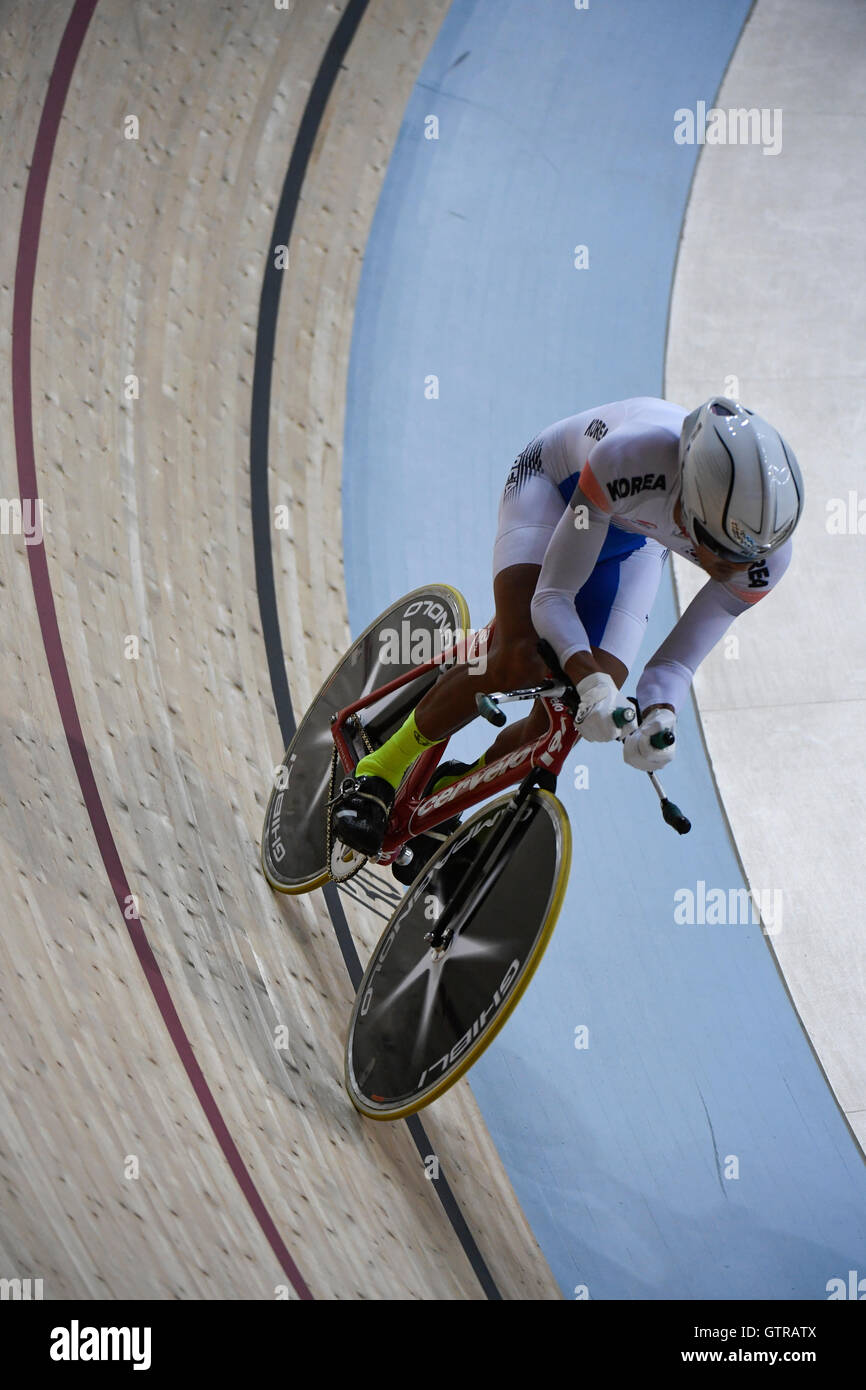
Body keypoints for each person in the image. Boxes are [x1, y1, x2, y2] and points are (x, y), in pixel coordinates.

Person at [332, 395, 803, 857]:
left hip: (636, 537)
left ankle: (449, 792)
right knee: (523, 656)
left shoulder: (763, 559)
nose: (727, 569)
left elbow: (676, 664)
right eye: (716, 551)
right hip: (555, 490)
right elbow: (552, 597)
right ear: (690, 504)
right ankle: (380, 771)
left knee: (574, 716)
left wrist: (660, 718)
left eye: (743, 560)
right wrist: (586, 673)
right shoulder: (633, 457)